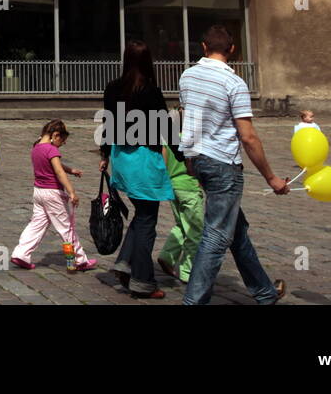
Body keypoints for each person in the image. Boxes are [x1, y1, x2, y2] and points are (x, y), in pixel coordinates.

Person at [179, 24, 289, 305]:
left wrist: (190, 159)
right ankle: (193, 302)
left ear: (203, 47)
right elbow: (248, 137)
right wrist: (272, 178)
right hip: (223, 165)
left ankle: (264, 292)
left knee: (235, 230)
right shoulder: (234, 84)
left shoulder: (188, 77)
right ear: (232, 50)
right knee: (216, 238)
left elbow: (185, 119)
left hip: (200, 161)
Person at [99, 40, 180, 299]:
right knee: (147, 220)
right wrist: (184, 156)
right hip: (144, 158)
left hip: (121, 156)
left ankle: (124, 263)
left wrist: (104, 154)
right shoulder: (150, 90)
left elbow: (107, 123)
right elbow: (167, 128)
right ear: (148, 62)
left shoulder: (113, 88)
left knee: (142, 214)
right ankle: (142, 281)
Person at [11, 119, 96, 272]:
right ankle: (80, 260)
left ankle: (21, 253)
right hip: (53, 194)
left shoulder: (36, 147)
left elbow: (54, 164)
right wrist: (72, 192)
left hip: (38, 193)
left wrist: (71, 170)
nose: (62, 144)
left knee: (36, 224)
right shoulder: (51, 150)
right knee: (66, 227)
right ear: (56, 135)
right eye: (62, 141)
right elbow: (58, 171)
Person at [157, 145, 204, 284]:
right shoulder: (193, 139)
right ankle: (187, 270)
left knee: (182, 225)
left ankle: (168, 255)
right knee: (196, 230)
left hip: (173, 185)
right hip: (189, 187)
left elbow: (163, 160)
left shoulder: (169, 137)